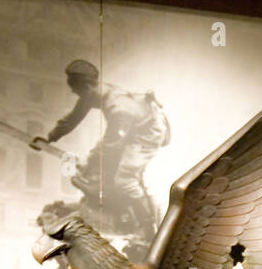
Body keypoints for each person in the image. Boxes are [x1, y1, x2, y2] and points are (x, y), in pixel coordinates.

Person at [30, 59, 169, 244]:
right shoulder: (92, 94)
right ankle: (123, 212)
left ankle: (149, 228)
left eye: (75, 89)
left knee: (125, 180)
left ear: (87, 86)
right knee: (106, 167)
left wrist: (91, 160)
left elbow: (112, 143)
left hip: (148, 132)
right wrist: (50, 138)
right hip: (132, 128)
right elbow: (72, 119)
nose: (73, 92)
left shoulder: (117, 106)